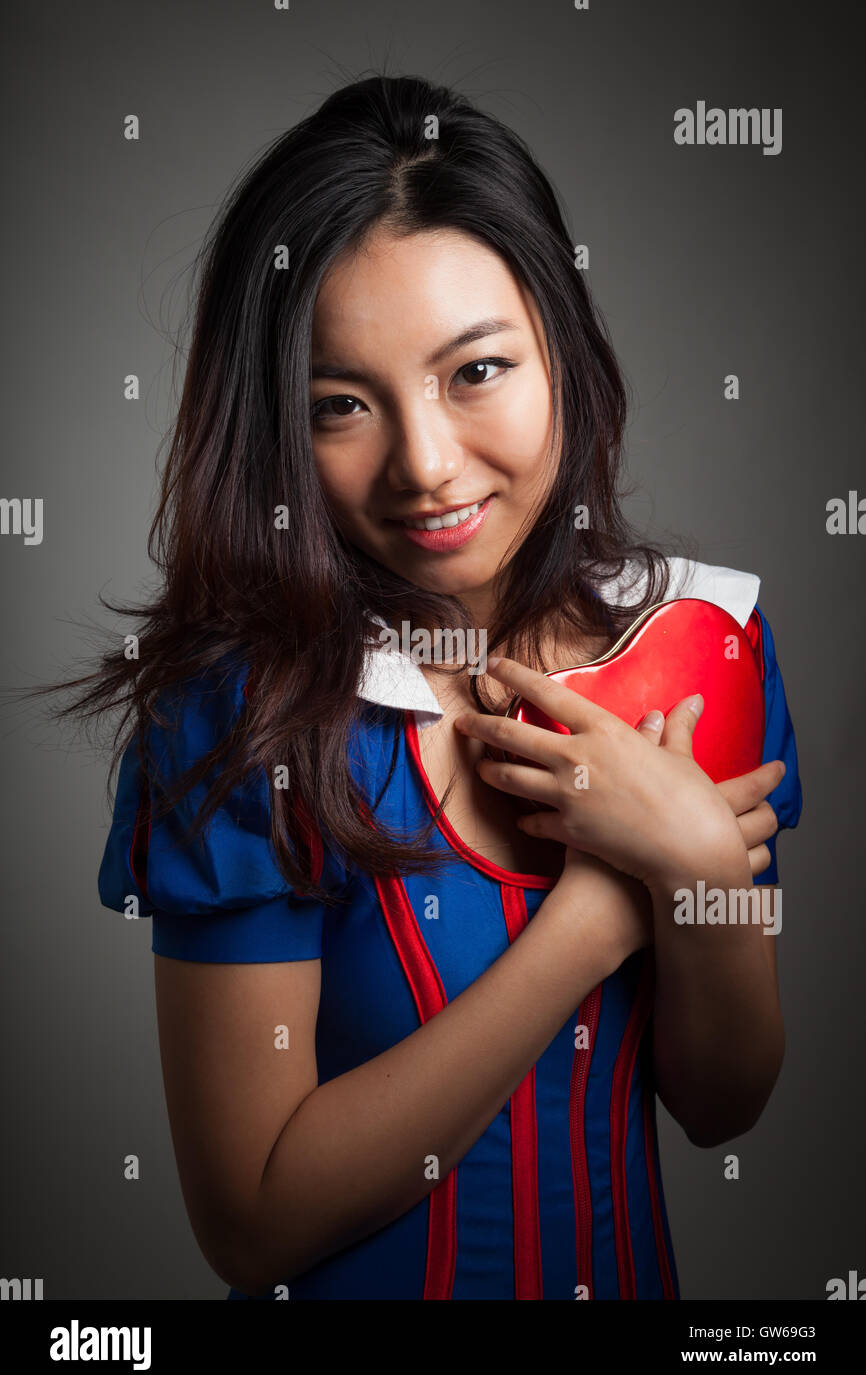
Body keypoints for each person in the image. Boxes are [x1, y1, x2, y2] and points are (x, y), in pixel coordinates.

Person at [90, 73, 802, 1299]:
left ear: (561, 350)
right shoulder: (238, 712)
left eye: (475, 371)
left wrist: (697, 874)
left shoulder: (702, 639)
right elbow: (251, 1219)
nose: (424, 465)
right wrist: (592, 921)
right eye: (342, 405)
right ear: (274, 427)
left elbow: (719, 1104)